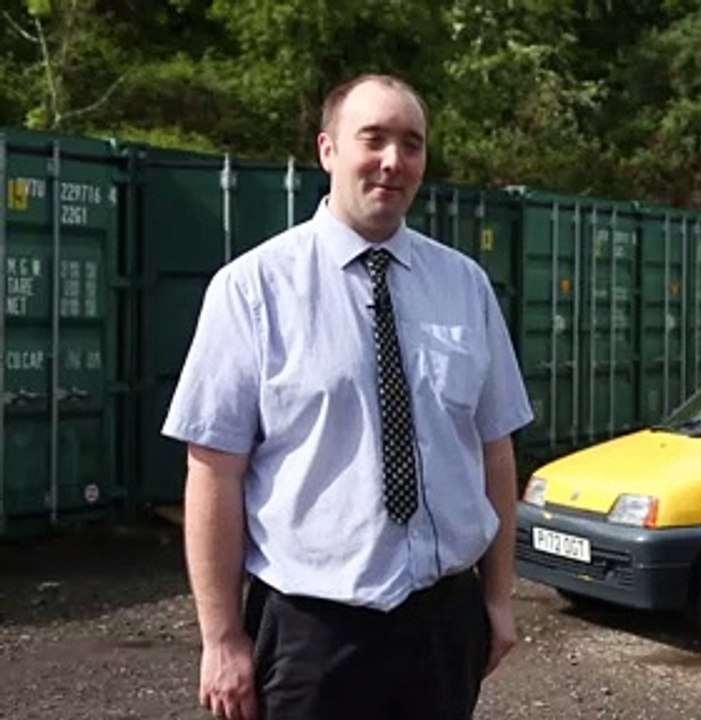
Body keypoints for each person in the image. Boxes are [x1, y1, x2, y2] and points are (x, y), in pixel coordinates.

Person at [162, 73, 533, 720]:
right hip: (313, 636)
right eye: (375, 139)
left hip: (443, 627)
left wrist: (497, 600)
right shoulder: (253, 290)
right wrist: (221, 638)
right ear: (327, 149)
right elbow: (214, 471)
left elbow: (494, 449)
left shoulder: (465, 286)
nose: (394, 160)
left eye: (412, 144)